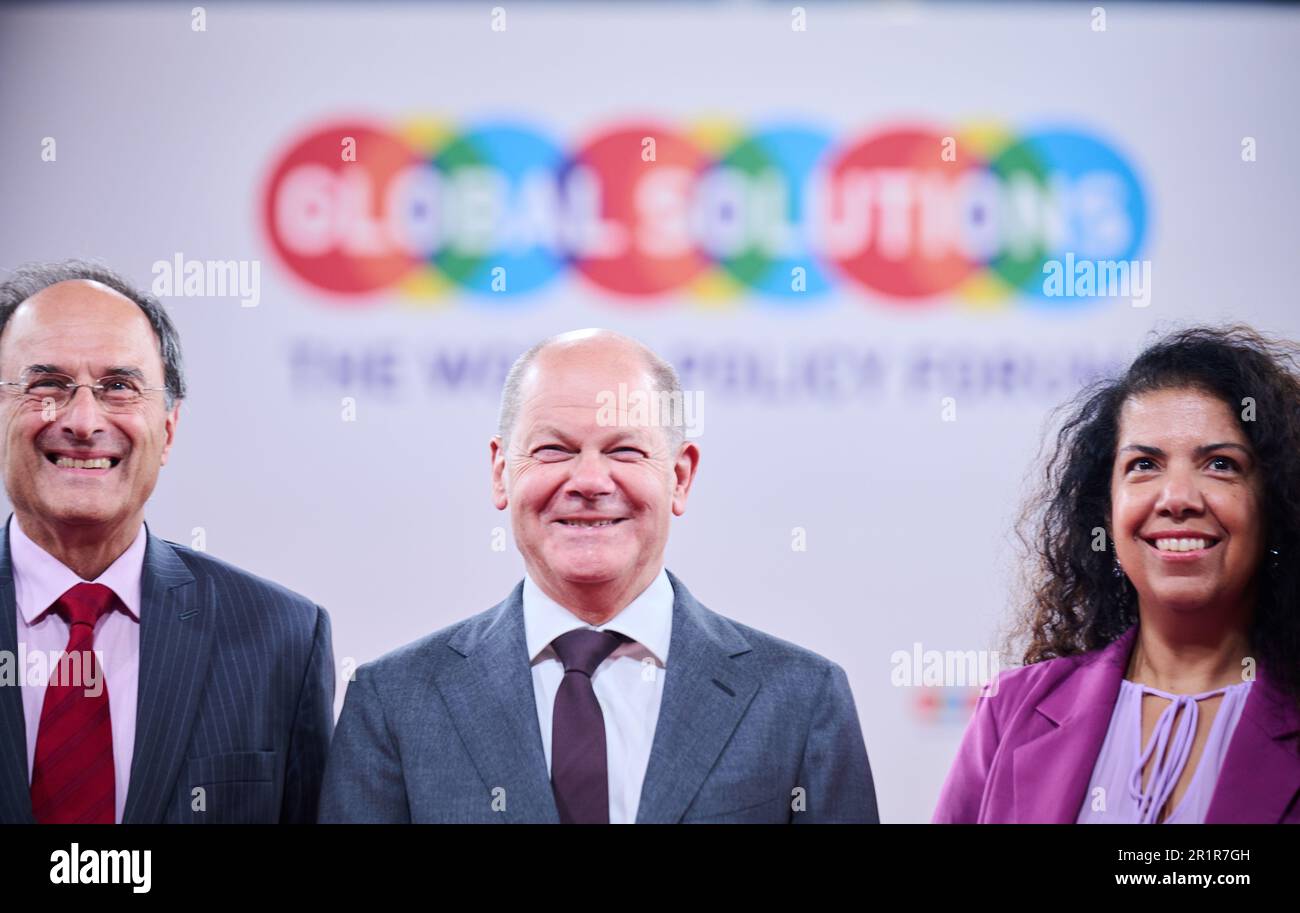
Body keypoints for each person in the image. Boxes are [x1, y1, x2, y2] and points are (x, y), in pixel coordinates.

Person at [320, 328, 877, 823]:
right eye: (554, 449)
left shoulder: (800, 699)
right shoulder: (394, 702)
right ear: (500, 473)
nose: (589, 480)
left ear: (680, 477)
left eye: (626, 451)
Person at [0, 261, 334, 824]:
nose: (83, 420)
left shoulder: (283, 640)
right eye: (47, 385)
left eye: (119, 388)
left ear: (169, 430)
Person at [934, 325, 1300, 823]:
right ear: (1106, 511)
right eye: (1144, 465)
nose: (1177, 499)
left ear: (1275, 501)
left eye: (1220, 464)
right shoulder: (1012, 710)